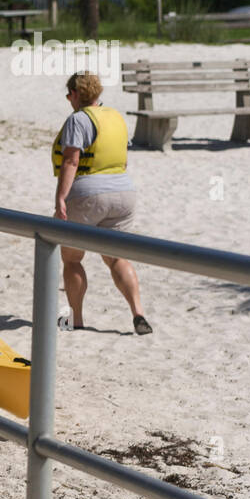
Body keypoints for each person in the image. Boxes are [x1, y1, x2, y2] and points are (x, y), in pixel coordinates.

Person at [53, 71, 151, 335]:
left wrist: (61, 197)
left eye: (69, 95)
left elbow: (72, 161)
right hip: (124, 192)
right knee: (117, 257)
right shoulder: (115, 117)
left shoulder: (79, 119)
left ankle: (77, 318)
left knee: (72, 259)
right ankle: (138, 312)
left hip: (88, 193)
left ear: (75, 94)